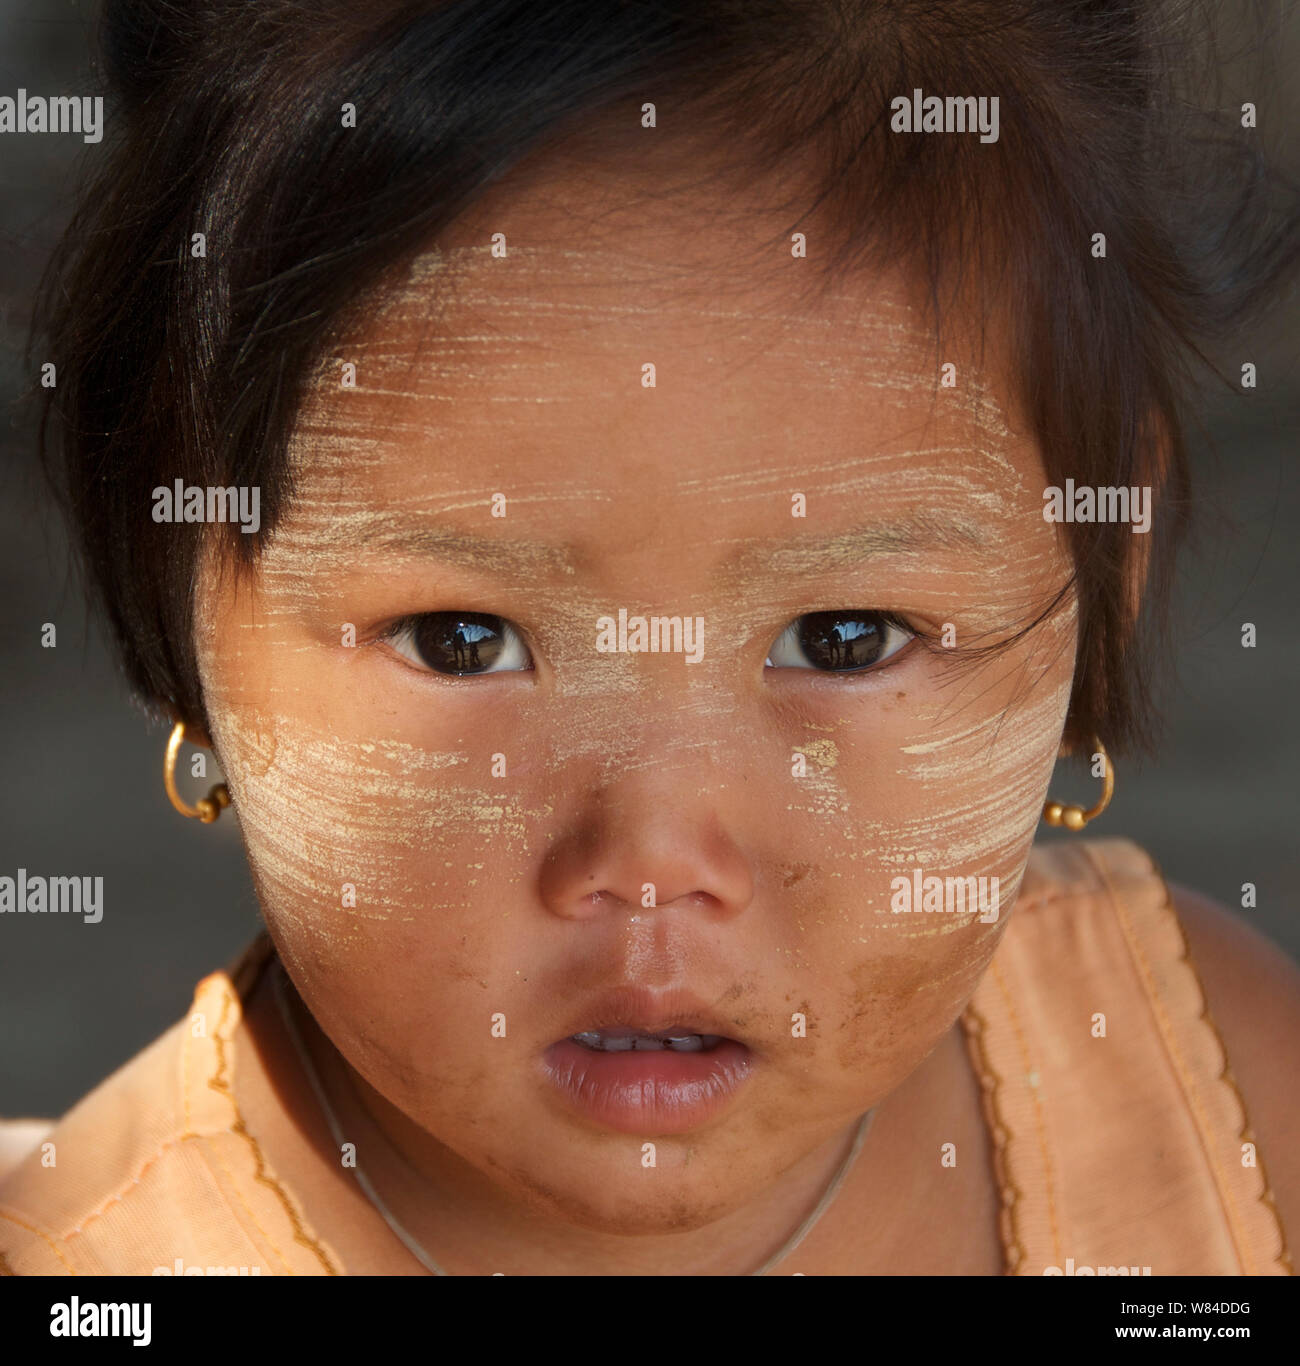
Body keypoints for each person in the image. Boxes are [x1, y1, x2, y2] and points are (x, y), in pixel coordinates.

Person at [2, 0, 1296, 1276]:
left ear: (1097, 569)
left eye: (845, 637)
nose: (654, 860)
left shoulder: (1217, 1091)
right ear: (182, 587)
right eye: (463, 639)